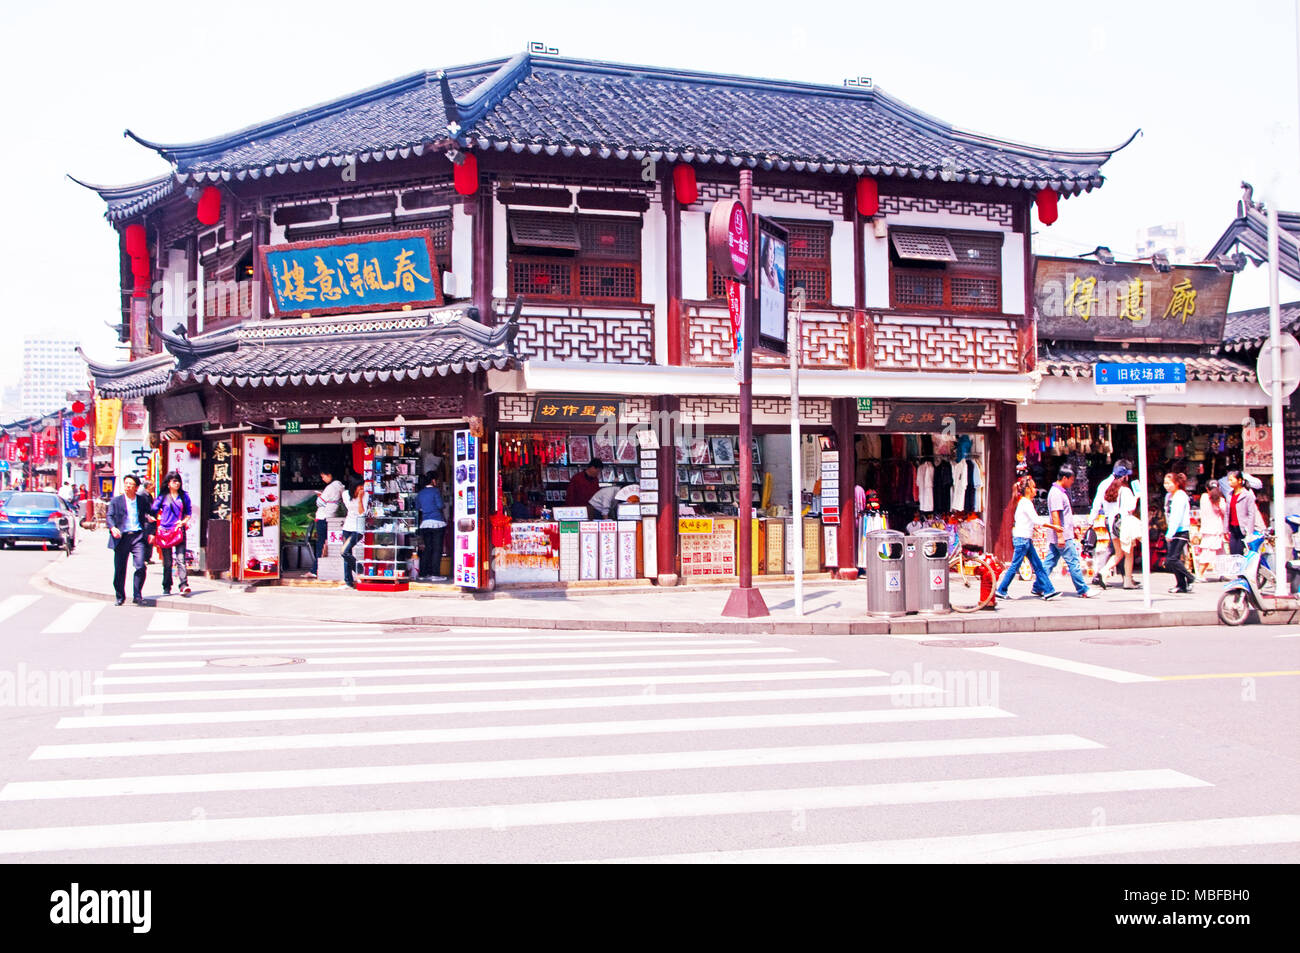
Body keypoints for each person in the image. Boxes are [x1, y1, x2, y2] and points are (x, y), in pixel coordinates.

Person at [994, 475, 1061, 601]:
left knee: (1038, 566)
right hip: (1022, 540)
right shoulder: (1026, 503)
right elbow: (1036, 520)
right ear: (1028, 489)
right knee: (1015, 566)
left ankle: (1048, 591)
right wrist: (1054, 527)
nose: (1035, 490)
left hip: (1025, 539)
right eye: (1034, 487)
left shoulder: (1023, 503)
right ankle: (1001, 590)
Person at [1035, 465, 1090, 598]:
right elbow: (1055, 515)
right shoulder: (1056, 493)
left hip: (1062, 534)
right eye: (1071, 480)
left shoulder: (1059, 492)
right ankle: (1083, 589)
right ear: (1064, 478)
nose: (1072, 483)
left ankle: (1038, 586)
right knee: (1073, 562)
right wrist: (1060, 535)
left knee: (1050, 562)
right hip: (1062, 535)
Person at [106, 474, 155, 606]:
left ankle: (137, 595)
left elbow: (151, 515)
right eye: (126, 483)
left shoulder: (142, 500)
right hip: (122, 538)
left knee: (140, 566)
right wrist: (112, 527)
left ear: (136, 487)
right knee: (120, 569)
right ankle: (120, 596)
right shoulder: (116, 501)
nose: (127, 486)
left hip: (138, 536)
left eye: (131, 484)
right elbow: (109, 516)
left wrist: (151, 531)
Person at [1088, 460, 1133, 588]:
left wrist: (1091, 520)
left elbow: (1097, 503)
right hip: (1121, 522)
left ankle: (1124, 576)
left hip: (1111, 521)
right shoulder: (1122, 488)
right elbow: (1130, 507)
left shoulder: (1105, 484)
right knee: (1119, 550)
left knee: (1116, 550)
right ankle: (1109, 575)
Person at [152, 471, 193, 596]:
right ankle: (166, 585)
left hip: (179, 531)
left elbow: (188, 513)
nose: (177, 483)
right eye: (174, 481)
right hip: (165, 531)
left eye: (178, 481)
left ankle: (183, 585)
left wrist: (183, 522)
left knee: (181, 559)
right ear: (168, 483)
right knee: (168, 561)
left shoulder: (184, 496)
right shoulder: (163, 497)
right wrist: (153, 520)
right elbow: (153, 509)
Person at [1099, 473, 1141, 589]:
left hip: (1113, 525)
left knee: (1118, 553)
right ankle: (1128, 581)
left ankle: (1104, 571)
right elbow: (1131, 508)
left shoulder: (1108, 491)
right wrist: (1137, 496)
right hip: (1125, 525)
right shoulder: (1125, 491)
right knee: (1128, 554)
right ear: (1125, 478)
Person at [307, 469, 345, 578]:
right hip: (332, 516)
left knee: (321, 544)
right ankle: (317, 569)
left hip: (323, 517)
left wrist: (320, 496)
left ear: (330, 475)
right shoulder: (340, 486)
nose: (323, 479)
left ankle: (315, 570)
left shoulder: (330, 487)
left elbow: (320, 503)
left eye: (323, 476)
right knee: (328, 545)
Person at [1163, 472, 1195, 594]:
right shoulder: (1170, 496)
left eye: (1169, 483)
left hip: (1181, 531)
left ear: (1176, 483)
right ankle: (1181, 585)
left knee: (1172, 559)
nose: (1166, 486)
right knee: (1174, 558)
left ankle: (1190, 577)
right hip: (1173, 530)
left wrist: (1170, 533)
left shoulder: (1180, 496)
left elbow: (1177, 516)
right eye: (1165, 483)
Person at [1224, 470, 1263, 556]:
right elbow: (1227, 513)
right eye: (1228, 480)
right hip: (1233, 529)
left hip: (1243, 529)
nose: (1229, 482)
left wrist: (1249, 531)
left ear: (1239, 480)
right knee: (1233, 554)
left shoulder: (1247, 495)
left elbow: (1251, 514)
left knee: (1242, 554)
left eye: (1231, 480)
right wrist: (1225, 529)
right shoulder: (1229, 495)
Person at [416, 473, 446, 580]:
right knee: (437, 549)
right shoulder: (435, 491)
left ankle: (423, 573)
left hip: (425, 523)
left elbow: (418, 507)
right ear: (433, 481)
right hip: (437, 522)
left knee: (427, 549)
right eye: (436, 480)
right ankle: (435, 574)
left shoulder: (420, 493)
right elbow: (440, 505)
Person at [1196, 482, 1228, 580]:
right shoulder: (1220, 500)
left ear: (1207, 488)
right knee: (1209, 552)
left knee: (1220, 553)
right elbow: (1225, 511)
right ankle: (1200, 574)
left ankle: (1222, 574)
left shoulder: (1204, 497)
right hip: (1216, 530)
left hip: (1208, 529)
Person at [340, 478, 366, 589]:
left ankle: (360, 569)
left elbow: (361, 513)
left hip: (358, 528)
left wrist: (360, 498)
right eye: (360, 486)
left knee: (344, 552)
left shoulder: (365, 495)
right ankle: (348, 582)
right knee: (347, 554)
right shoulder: (345, 494)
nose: (362, 489)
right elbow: (350, 509)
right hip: (347, 526)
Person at [138, 479, 156, 564]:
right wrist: (147, 517)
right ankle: (143, 558)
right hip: (145, 521)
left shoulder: (149, 495)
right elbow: (140, 510)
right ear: (148, 486)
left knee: (150, 539)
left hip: (151, 521)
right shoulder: (141, 495)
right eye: (152, 485)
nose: (154, 487)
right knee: (145, 539)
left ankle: (148, 558)